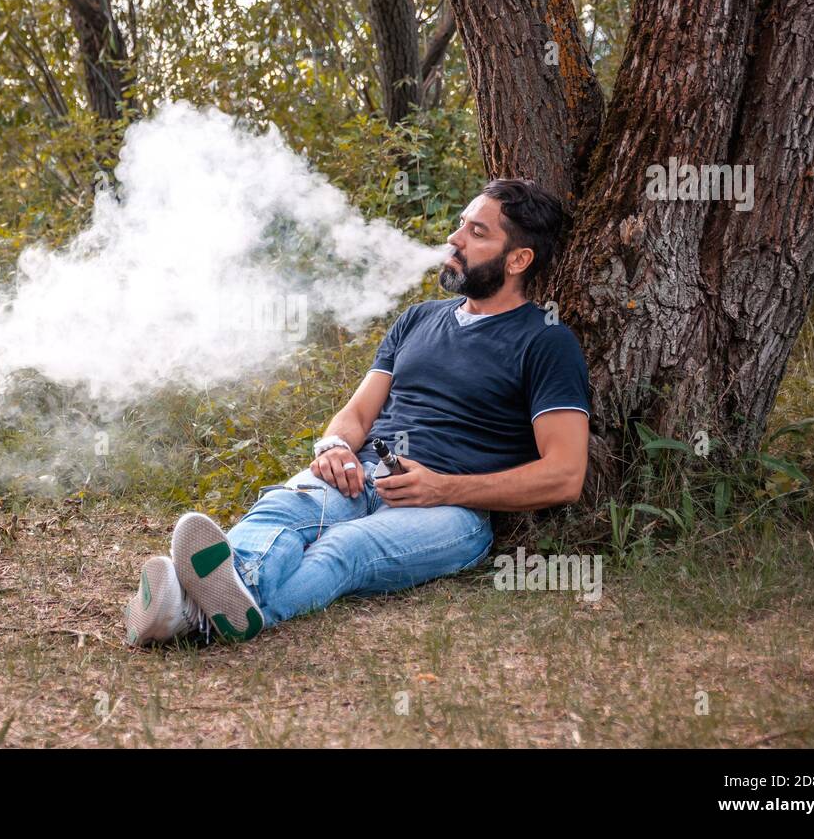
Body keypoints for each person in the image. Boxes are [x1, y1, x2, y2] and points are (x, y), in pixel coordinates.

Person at [124, 178, 591, 646]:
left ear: (518, 259)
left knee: (343, 549)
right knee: (284, 508)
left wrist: (441, 487)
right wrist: (333, 447)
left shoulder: (546, 342)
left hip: (453, 512)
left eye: (477, 232)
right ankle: (214, 598)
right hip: (362, 474)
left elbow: (565, 475)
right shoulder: (418, 319)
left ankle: (190, 611)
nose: (455, 239)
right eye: (460, 225)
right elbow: (357, 416)